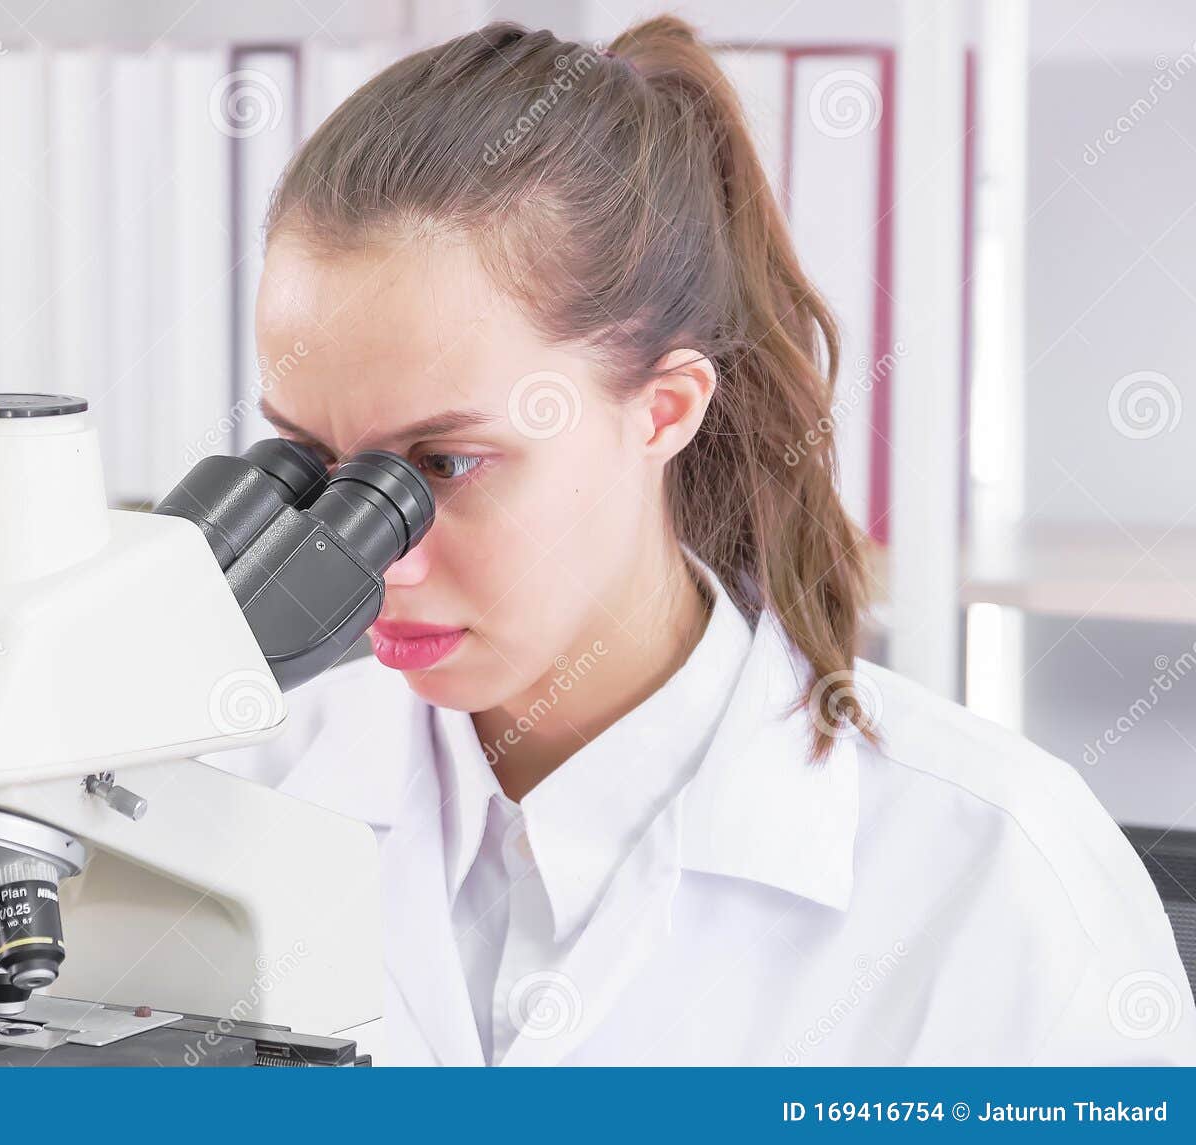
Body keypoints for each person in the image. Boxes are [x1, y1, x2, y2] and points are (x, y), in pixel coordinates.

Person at [201, 14, 1196, 1065]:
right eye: (315, 465)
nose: (374, 556)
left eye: (445, 464)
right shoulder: (217, 794)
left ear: (663, 410)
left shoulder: (991, 869)